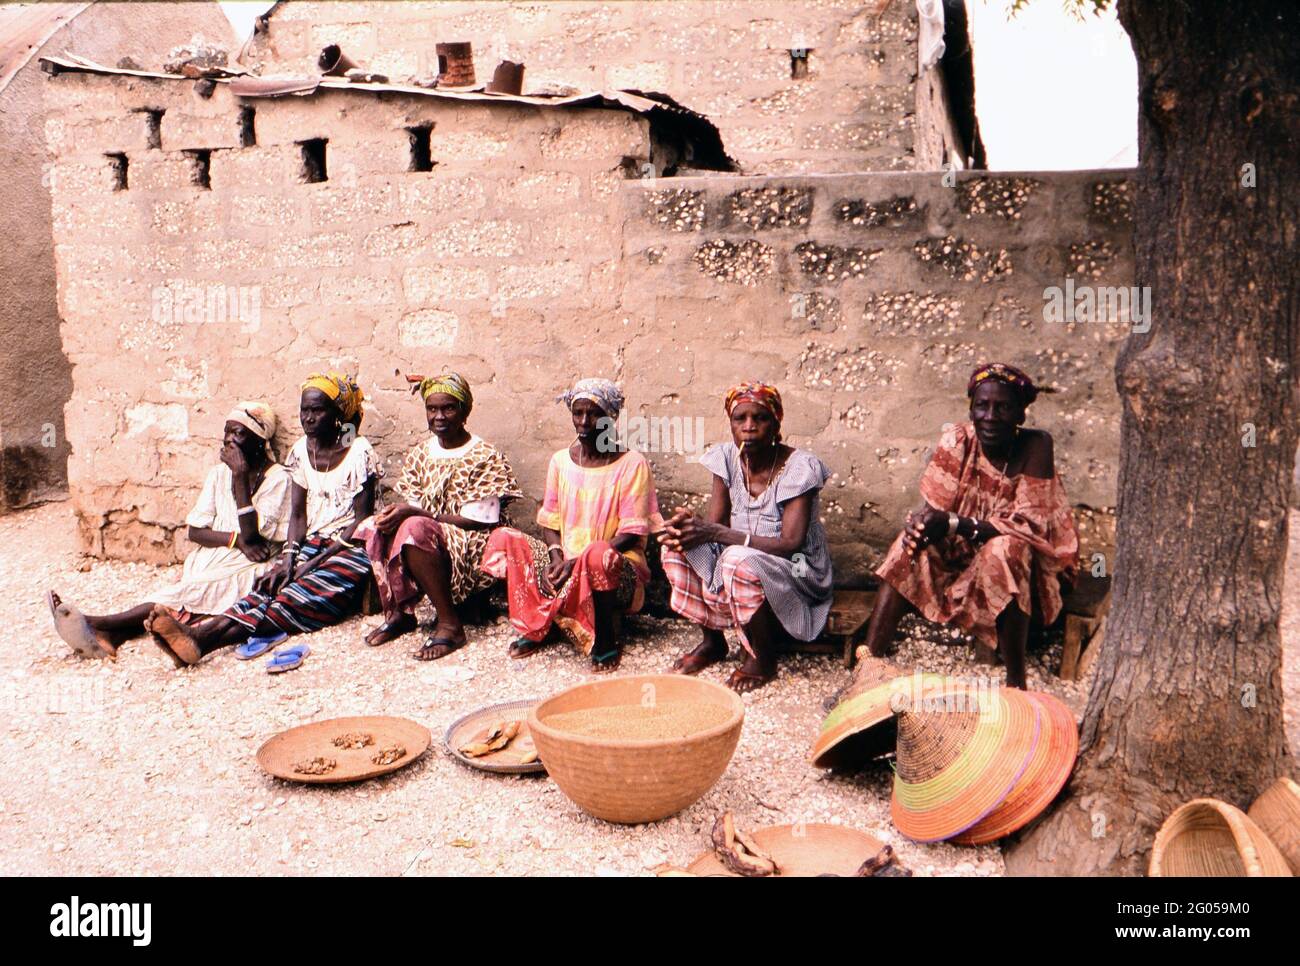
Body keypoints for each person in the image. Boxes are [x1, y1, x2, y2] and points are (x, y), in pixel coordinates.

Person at [862, 362, 1079, 689]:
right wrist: (922, 526)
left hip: (1030, 568)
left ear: (1021, 415)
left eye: (1004, 407)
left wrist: (953, 523)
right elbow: (934, 509)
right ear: (971, 409)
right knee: (906, 548)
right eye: (982, 405)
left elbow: (1028, 526)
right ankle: (866, 670)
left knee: (1005, 548)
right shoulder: (958, 440)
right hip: (961, 552)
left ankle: (1016, 684)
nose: (991, 416)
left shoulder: (1036, 446)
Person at [145, 373, 380, 666]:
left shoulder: (359, 451)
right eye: (304, 410)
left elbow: (362, 520)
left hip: (351, 547)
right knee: (266, 586)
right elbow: (298, 515)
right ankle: (197, 639)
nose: (308, 418)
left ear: (337, 415)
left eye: (317, 410)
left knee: (295, 596)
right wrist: (291, 557)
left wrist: (309, 564)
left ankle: (204, 638)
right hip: (313, 541)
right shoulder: (300, 451)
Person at [47, 401, 291, 658]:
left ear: (259, 439)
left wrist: (240, 477)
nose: (230, 439)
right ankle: (113, 636)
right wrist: (236, 539)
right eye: (226, 431)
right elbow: (196, 532)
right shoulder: (220, 474)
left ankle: (101, 624)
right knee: (192, 588)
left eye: (239, 433)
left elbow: (254, 537)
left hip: (252, 562)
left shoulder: (278, 479)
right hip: (218, 553)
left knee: (191, 589)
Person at [660, 382, 833, 692]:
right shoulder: (726, 458)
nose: (749, 428)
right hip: (740, 559)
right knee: (675, 546)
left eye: (760, 418)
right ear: (731, 423)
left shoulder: (800, 467)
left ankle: (763, 659)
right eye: (740, 419)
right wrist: (689, 527)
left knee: (738, 561)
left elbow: (791, 544)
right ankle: (713, 642)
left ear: (777, 422)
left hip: (795, 567)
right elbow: (716, 524)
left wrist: (716, 533)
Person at [481, 378, 660, 671]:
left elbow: (632, 532)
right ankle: (535, 625)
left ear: (611, 417)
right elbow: (549, 520)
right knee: (507, 538)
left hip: (614, 563)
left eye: (594, 414)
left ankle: (604, 641)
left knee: (599, 555)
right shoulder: (560, 462)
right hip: (566, 559)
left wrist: (577, 562)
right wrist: (556, 556)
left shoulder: (632, 464)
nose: (585, 421)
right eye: (578, 413)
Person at [355, 372, 522, 661]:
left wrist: (419, 515)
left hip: (474, 537)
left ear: (465, 411)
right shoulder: (422, 453)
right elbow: (412, 505)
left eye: (449, 408)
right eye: (432, 409)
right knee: (374, 526)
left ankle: (450, 624)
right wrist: (393, 516)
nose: (439, 416)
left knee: (415, 528)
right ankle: (401, 612)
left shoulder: (483, 454)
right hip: (432, 529)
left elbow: (479, 520)